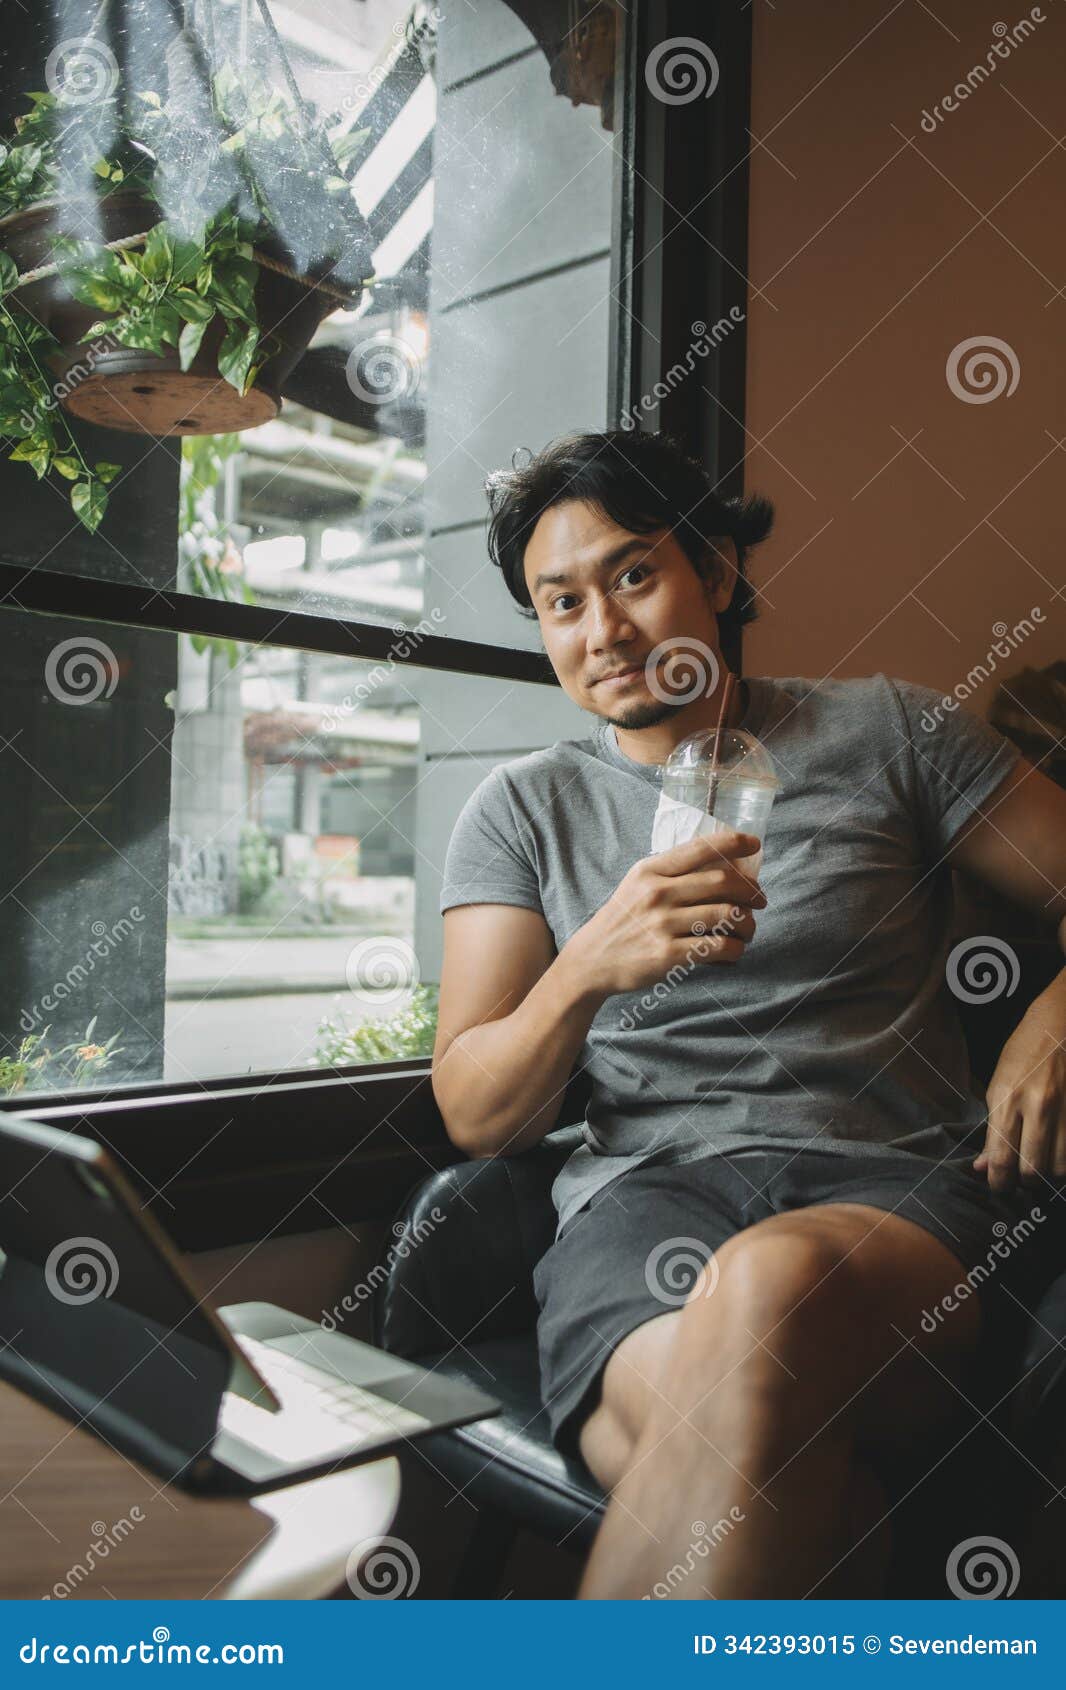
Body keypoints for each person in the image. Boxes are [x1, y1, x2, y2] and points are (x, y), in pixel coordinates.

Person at [431, 428, 1066, 1599]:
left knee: (767, 1300)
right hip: (640, 1213)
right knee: (803, 1493)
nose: (604, 631)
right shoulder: (525, 807)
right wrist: (583, 970)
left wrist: (1053, 1013)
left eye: (633, 573)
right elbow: (476, 1112)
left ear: (716, 573)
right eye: (559, 601)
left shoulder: (889, 733)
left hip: (884, 1202)